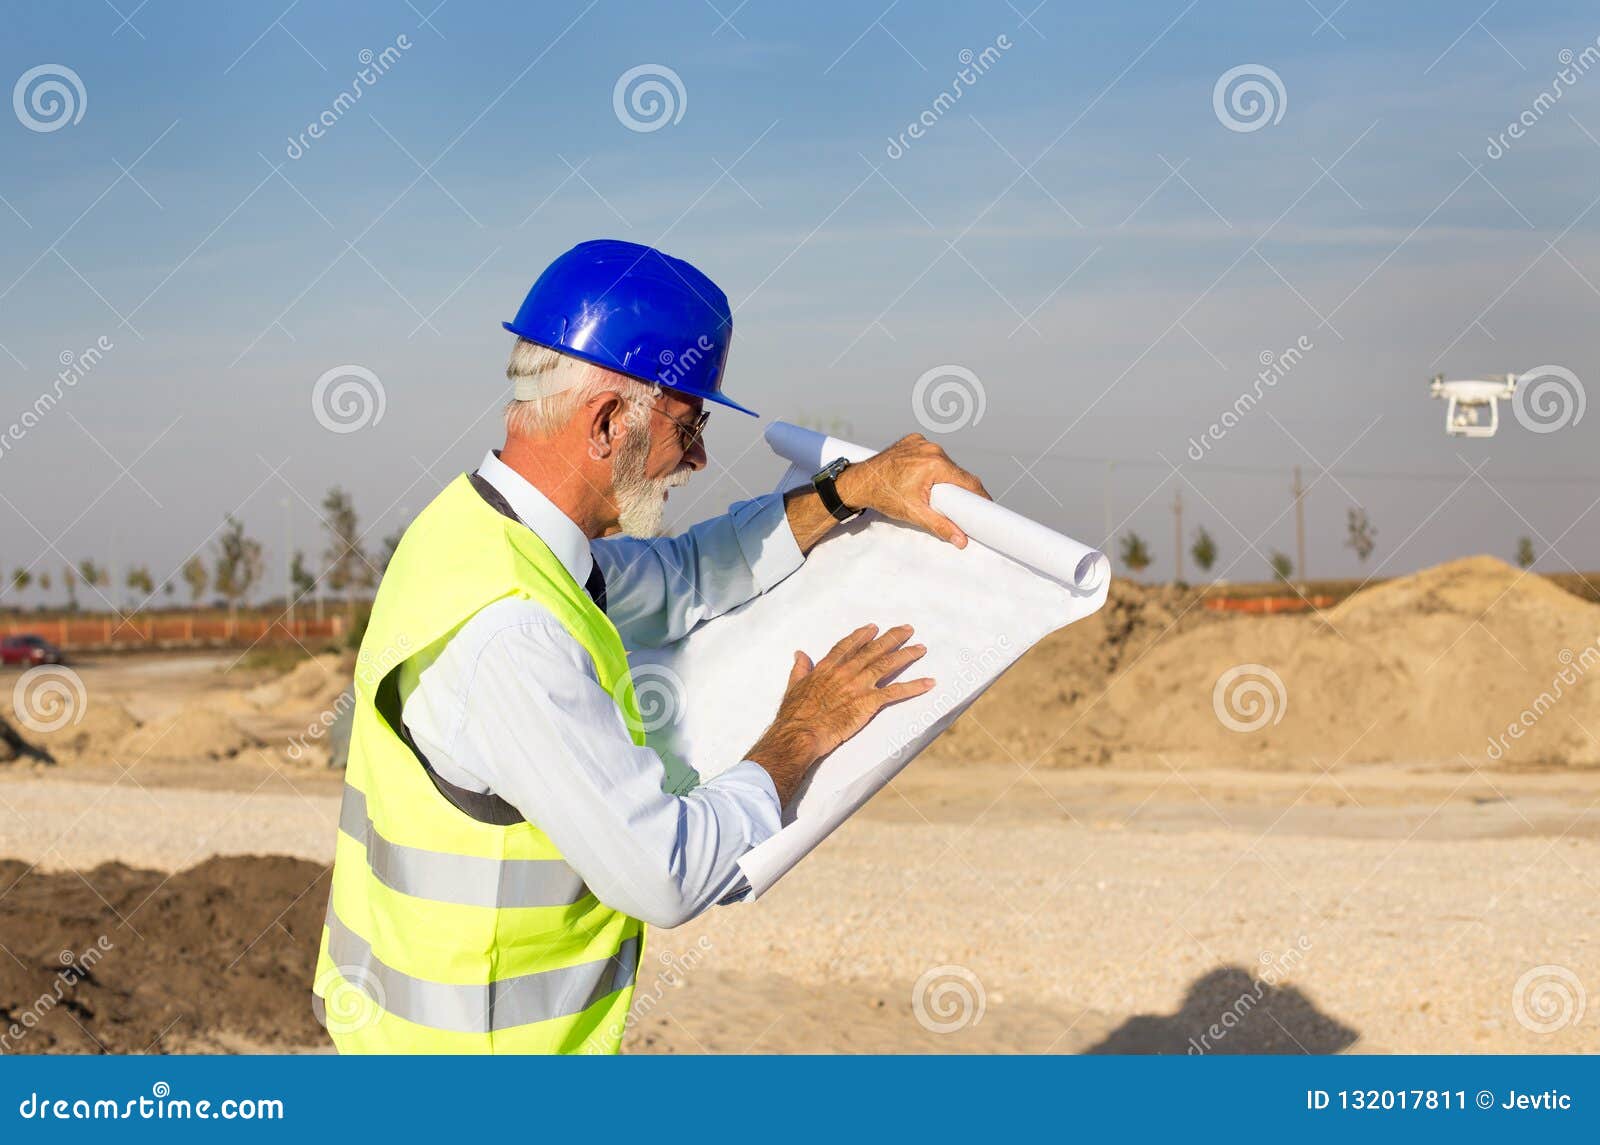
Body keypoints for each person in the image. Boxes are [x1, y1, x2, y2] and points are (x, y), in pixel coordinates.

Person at [312, 238, 989, 1053]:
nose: (698, 456)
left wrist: (848, 490)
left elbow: (689, 573)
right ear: (606, 422)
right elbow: (665, 873)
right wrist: (802, 731)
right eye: (689, 423)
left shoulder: (476, 537)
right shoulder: (513, 634)